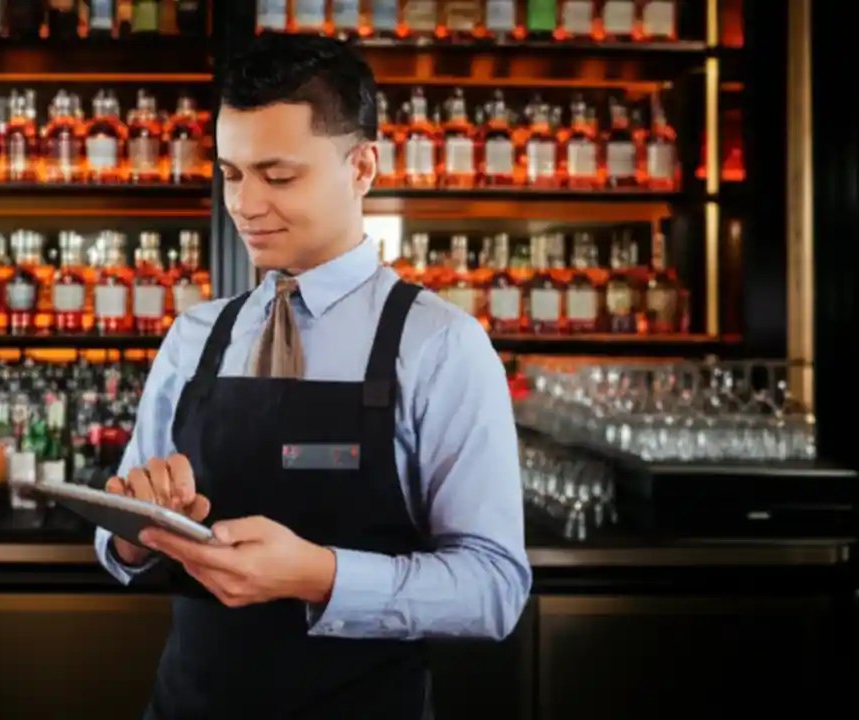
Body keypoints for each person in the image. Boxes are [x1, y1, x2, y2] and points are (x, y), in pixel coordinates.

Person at [93, 33, 531, 720]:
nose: (244, 203)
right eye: (232, 174)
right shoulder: (196, 335)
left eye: (279, 175)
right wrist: (134, 526)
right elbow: (118, 539)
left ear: (362, 167)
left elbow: (494, 589)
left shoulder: (441, 344)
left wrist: (317, 575)